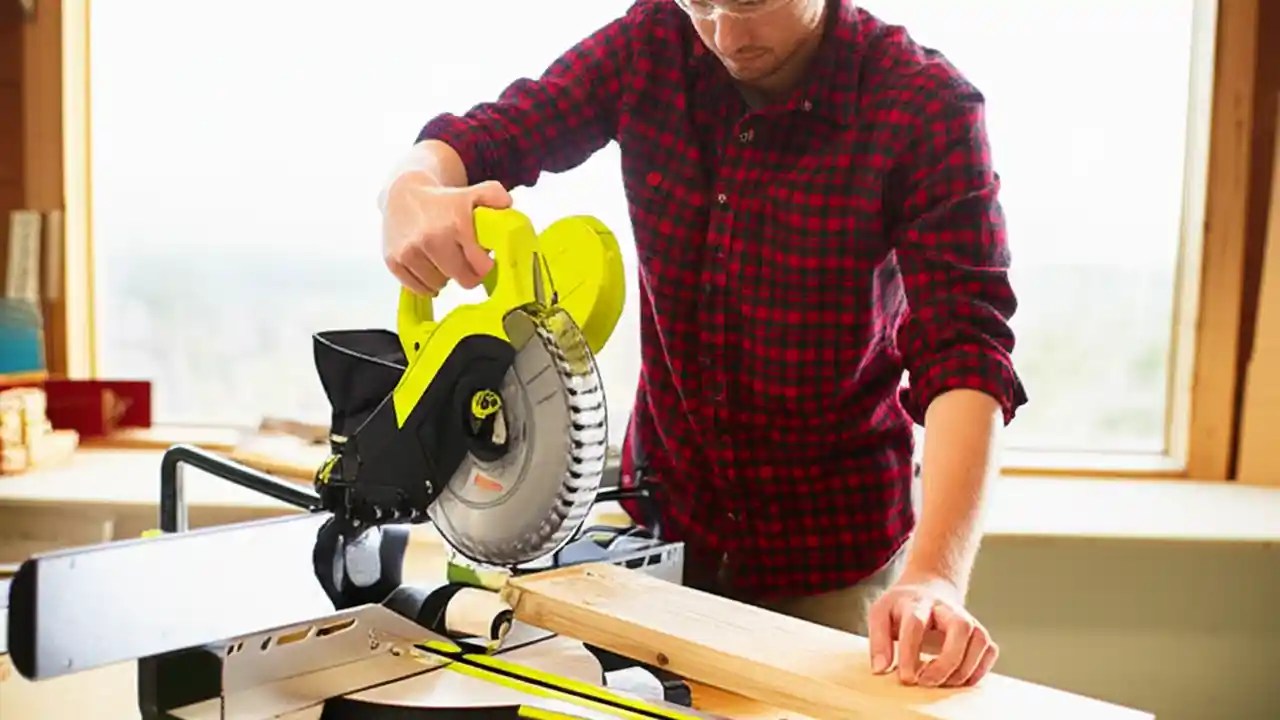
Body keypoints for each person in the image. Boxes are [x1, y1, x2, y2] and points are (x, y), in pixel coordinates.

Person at [378, 0, 1027, 689]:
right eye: (702, 4)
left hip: (831, 560)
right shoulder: (650, 43)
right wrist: (411, 185)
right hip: (666, 534)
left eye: (750, 5)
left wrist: (935, 576)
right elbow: (495, 134)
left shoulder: (926, 106)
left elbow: (964, 351)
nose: (725, 34)